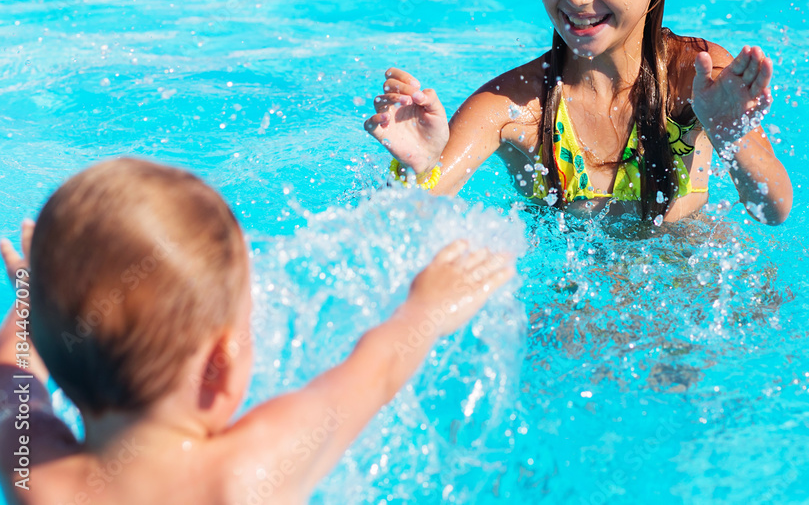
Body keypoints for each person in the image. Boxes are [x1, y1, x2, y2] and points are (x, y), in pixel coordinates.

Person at [0, 158, 513, 504]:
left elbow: (12, 380)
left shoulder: (38, 473)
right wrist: (425, 309)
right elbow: (373, 374)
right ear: (219, 365)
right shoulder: (246, 474)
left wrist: (30, 296)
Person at [365, 0, 792, 226]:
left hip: (693, 287)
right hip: (578, 307)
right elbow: (404, 221)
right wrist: (414, 169)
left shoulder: (693, 78)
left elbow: (771, 211)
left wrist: (729, 133)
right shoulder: (512, 108)